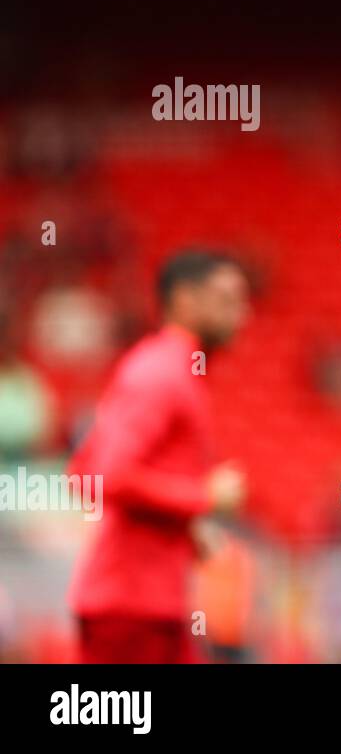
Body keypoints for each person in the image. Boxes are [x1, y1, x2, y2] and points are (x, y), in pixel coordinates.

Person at [67, 249, 250, 663]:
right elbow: (107, 475)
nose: (242, 314)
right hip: (131, 611)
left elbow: (82, 470)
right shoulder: (161, 374)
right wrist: (202, 497)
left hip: (150, 606)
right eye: (227, 300)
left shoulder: (171, 371)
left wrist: (186, 523)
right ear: (185, 301)